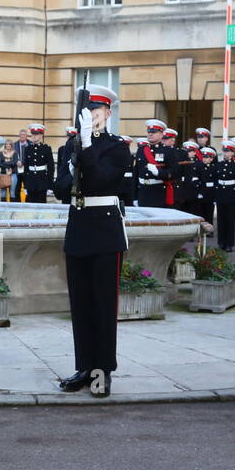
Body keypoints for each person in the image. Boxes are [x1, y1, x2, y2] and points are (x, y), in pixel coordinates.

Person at [58, 84, 132, 398]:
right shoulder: (68, 147)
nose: (92, 117)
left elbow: (103, 180)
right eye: (87, 112)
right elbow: (62, 190)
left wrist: (87, 148)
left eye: (97, 112)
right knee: (81, 305)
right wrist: (74, 160)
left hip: (105, 230)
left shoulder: (117, 147)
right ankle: (85, 366)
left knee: (103, 305)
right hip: (78, 227)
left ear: (108, 113)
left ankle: (103, 372)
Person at [135, 120, 173, 208]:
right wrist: (135, 197)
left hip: (158, 194)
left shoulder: (168, 151)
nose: (150, 134)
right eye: (149, 132)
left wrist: (158, 173)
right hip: (142, 193)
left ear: (161, 134)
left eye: (154, 132)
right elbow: (136, 174)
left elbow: (173, 172)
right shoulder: (141, 150)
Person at [212, 139, 235, 251]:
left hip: (231, 194)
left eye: (228, 151)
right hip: (221, 194)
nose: (226, 153)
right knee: (221, 220)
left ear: (233, 152)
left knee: (230, 221)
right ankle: (221, 242)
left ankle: (229, 244)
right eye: (224, 151)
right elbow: (216, 181)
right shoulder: (219, 165)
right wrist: (215, 197)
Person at [20, 123, 54, 203]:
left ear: (41, 135)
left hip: (42, 181)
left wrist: (50, 186)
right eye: (32, 134)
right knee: (29, 204)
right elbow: (26, 168)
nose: (34, 136)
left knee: (41, 204)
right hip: (30, 181)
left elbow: (51, 168)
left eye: (36, 134)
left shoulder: (46, 148)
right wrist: (25, 185)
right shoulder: (28, 148)